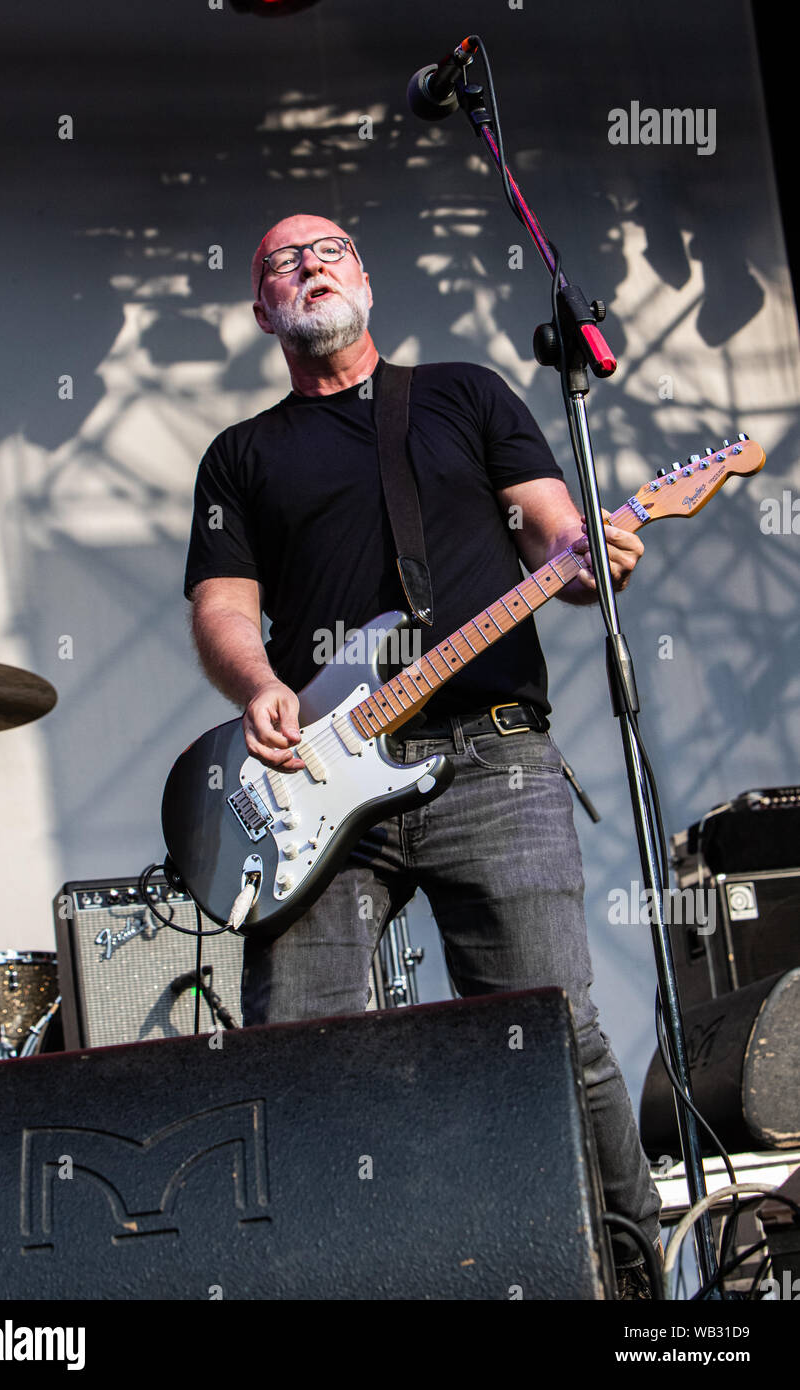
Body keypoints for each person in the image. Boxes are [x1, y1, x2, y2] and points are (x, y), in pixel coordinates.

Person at [183, 213, 662, 1296]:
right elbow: (222, 606)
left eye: (328, 251)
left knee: (551, 1032)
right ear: (261, 310)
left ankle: (637, 1285)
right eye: (281, 263)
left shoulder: (463, 395)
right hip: (319, 783)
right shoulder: (242, 455)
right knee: (294, 1050)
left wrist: (584, 553)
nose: (308, 266)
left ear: (364, 277)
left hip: (490, 759)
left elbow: (551, 532)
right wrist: (258, 685)